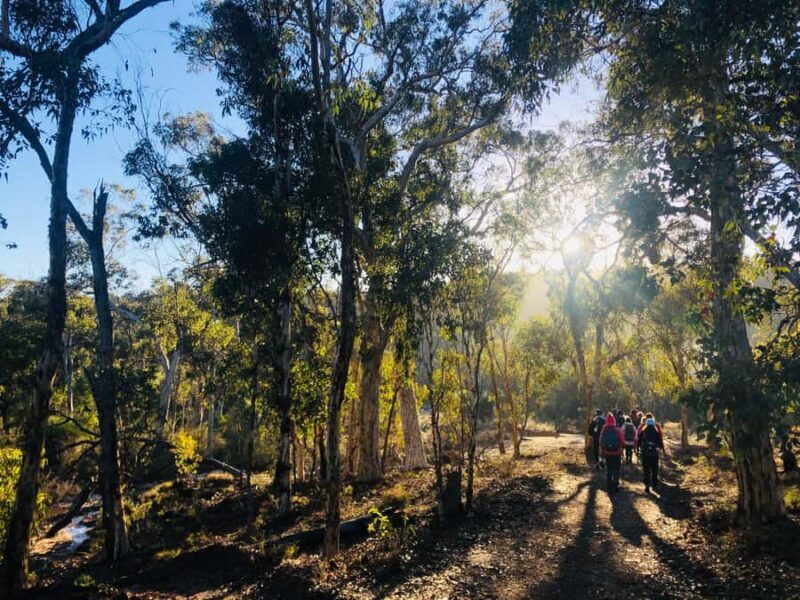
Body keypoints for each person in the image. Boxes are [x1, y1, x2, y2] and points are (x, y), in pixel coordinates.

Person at [637, 417, 666, 493]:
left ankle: (647, 485)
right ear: (653, 424)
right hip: (654, 453)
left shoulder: (643, 431)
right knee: (654, 469)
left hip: (645, 453)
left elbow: (639, 442)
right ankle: (655, 484)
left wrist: (638, 449)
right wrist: (661, 449)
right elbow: (660, 443)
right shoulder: (656, 432)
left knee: (646, 470)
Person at [600, 413, 625, 492]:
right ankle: (615, 485)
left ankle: (609, 486)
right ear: (614, 421)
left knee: (609, 470)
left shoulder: (604, 430)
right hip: (617, 453)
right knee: (616, 470)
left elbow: (601, 442)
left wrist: (603, 451)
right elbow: (622, 441)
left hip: (607, 453)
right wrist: (621, 449)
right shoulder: (617, 430)